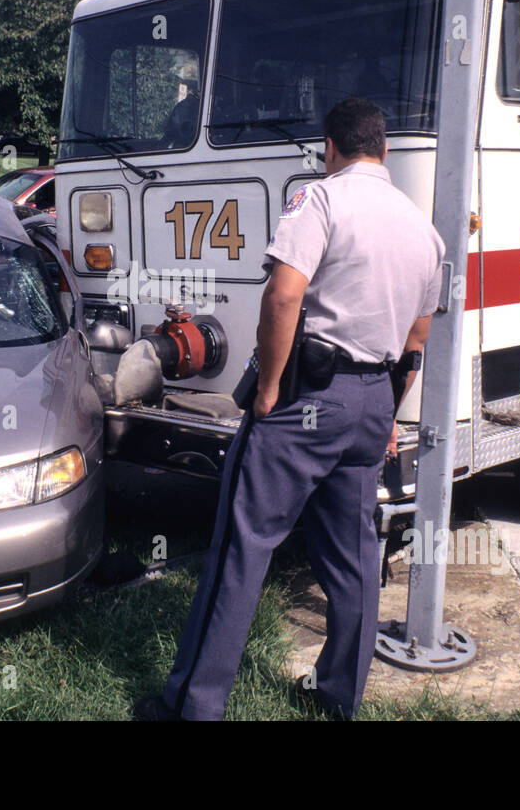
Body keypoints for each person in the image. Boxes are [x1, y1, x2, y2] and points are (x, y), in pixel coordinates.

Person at [135, 98, 444, 721]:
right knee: (355, 559)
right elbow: (416, 343)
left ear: (331, 148)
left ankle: (192, 706)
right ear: (382, 150)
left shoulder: (320, 200)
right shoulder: (424, 230)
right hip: (369, 404)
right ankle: (337, 699)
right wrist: (385, 415)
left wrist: (270, 388)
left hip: (306, 400)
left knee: (242, 547)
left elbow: (283, 297)